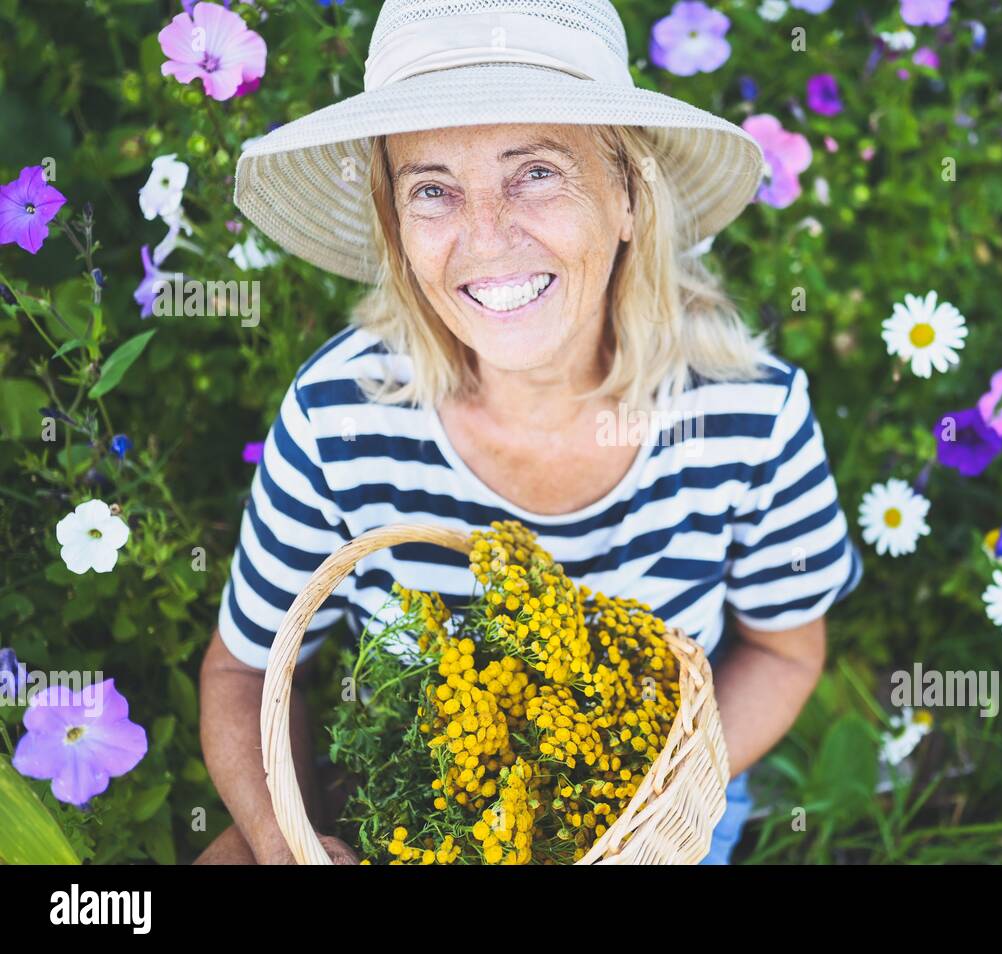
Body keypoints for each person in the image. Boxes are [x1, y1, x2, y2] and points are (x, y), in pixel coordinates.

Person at [196, 0, 863, 866]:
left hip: (648, 816)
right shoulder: (341, 410)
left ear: (628, 195)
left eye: (536, 173)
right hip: (412, 812)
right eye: (432, 190)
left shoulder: (748, 415)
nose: (487, 237)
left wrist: (639, 812)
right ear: (396, 225)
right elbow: (242, 670)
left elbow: (783, 652)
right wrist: (287, 839)